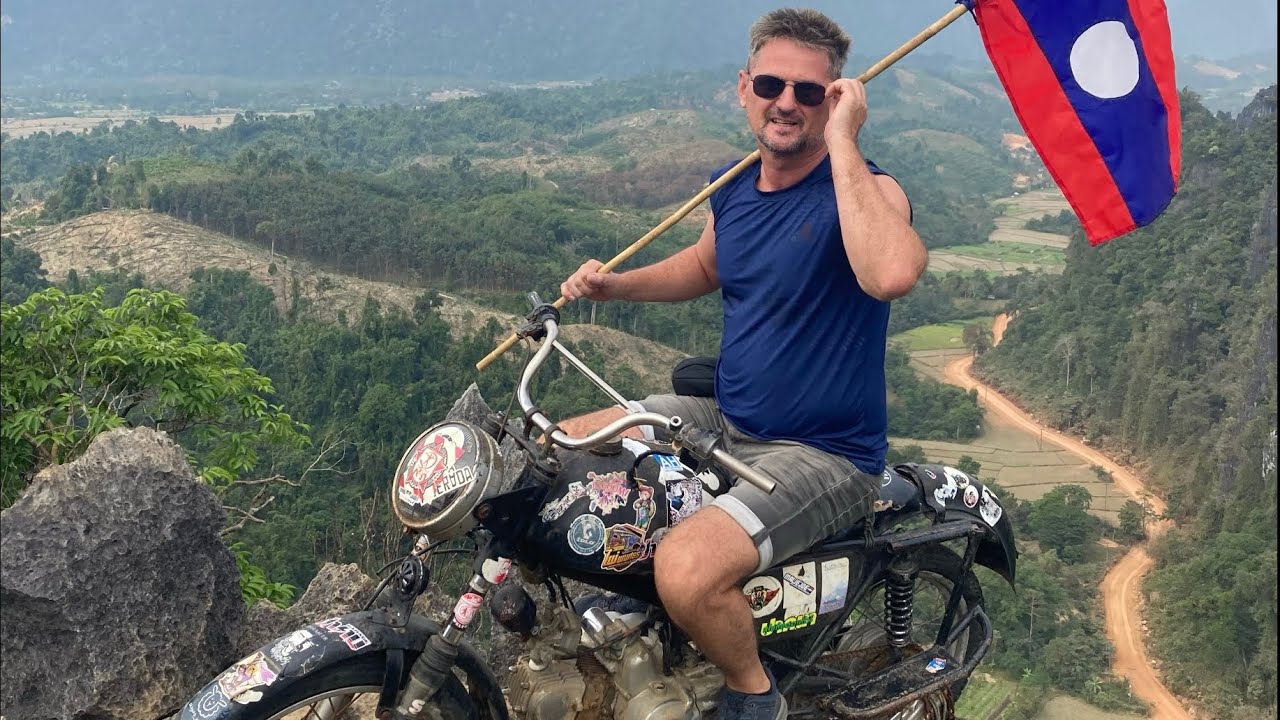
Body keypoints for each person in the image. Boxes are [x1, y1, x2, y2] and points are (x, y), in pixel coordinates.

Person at [559, 8, 927, 719]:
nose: (786, 101)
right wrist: (615, 285)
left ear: (835, 97)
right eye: (770, 84)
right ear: (743, 87)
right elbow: (705, 266)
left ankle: (755, 694)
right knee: (569, 443)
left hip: (824, 454)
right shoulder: (731, 188)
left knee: (688, 570)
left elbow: (890, 272)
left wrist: (846, 142)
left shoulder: (867, 191)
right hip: (728, 417)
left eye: (809, 91)